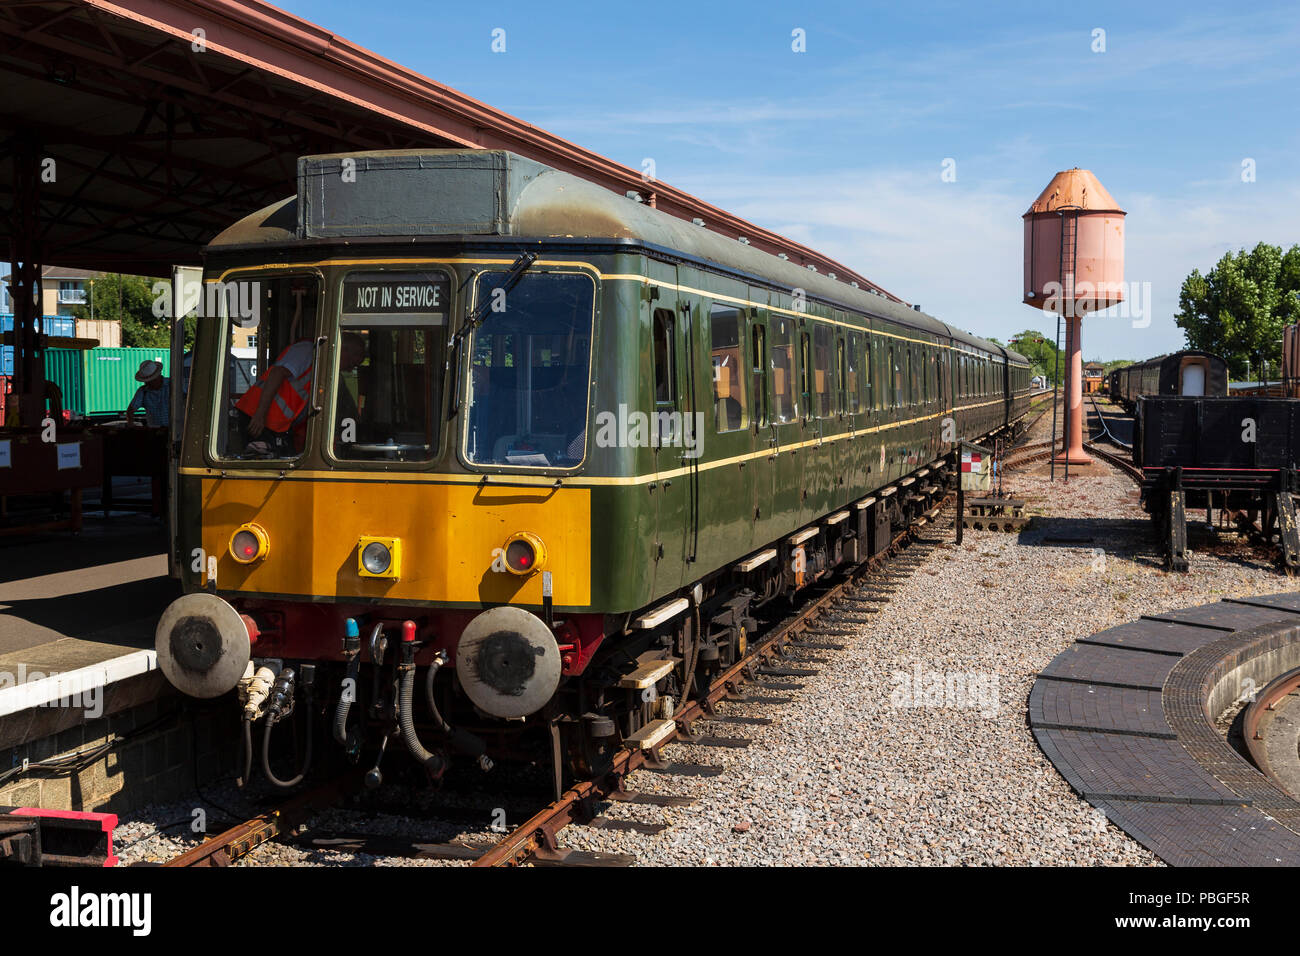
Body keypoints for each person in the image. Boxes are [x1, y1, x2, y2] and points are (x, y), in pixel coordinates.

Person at [235, 333, 365, 457]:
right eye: (351, 364)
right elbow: (277, 373)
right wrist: (260, 415)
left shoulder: (325, 368)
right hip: (256, 418)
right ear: (343, 350)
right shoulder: (308, 351)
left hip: (276, 425)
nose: (349, 369)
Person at [126, 359, 170, 428]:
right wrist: (131, 423)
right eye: (146, 381)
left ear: (158, 375)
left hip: (175, 431)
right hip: (154, 432)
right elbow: (130, 410)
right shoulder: (143, 391)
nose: (147, 383)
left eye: (151, 380)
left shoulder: (173, 385)